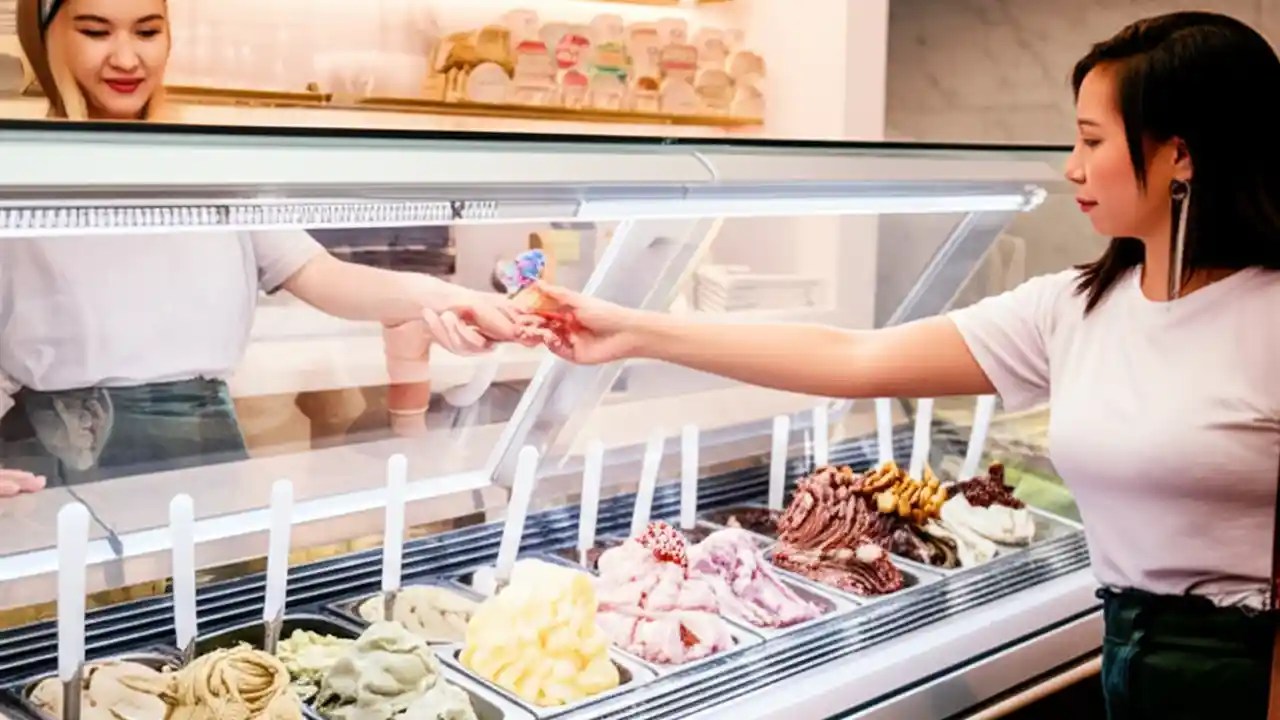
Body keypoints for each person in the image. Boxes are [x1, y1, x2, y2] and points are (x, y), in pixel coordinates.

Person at [525, 12, 1280, 719]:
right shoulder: (1076, 307)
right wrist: (630, 330)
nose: (1071, 166)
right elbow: (855, 357)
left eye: (1091, 141)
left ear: (1179, 153)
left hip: (1248, 669)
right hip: (1128, 647)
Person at [0, 0, 527, 494]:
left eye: (147, 31)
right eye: (95, 32)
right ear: (46, 39)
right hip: (54, 462)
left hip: (205, 448)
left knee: (220, 592)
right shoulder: (22, 171)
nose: (126, 57)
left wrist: (454, 299)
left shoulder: (215, 168)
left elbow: (327, 278)